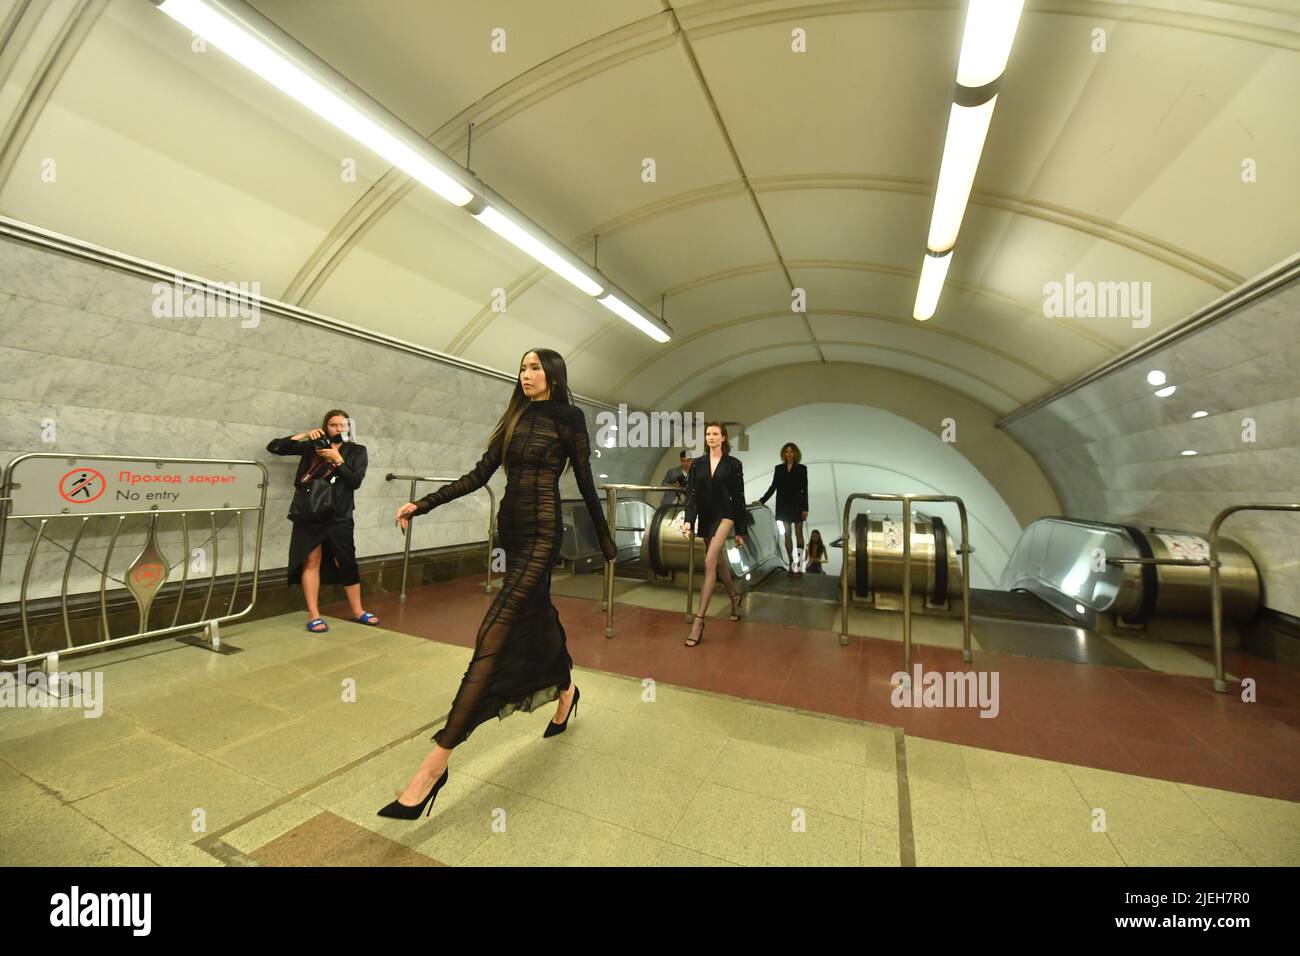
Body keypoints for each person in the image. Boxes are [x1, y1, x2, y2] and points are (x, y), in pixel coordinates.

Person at [378, 348, 617, 819]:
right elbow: (479, 475)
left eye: (534, 368)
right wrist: (422, 504)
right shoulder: (514, 417)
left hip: (545, 534)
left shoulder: (569, 417)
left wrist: (606, 541)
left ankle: (434, 765)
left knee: (493, 634)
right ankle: (567, 692)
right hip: (512, 532)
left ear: (552, 374)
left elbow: (585, 481)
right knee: (540, 618)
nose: (526, 375)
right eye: (522, 368)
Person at [266, 410, 377, 633]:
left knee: (346, 561)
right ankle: (314, 614)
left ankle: (358, 610)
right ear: (326, 427)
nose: (338, 428)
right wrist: (306, 435)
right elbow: (275, 447)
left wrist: (338, 460)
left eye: (342, 425)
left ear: (348, 427)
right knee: (311, 561)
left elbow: (355, 481)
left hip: (340, 514)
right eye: (333, 425)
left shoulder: (357, 451)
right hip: (310, 513)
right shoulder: (312, 447)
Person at [678, 422, 747, 646]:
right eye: (708, 434)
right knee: (718, 563)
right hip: (706, 518)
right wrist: (688, 521)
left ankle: (699, 621)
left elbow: (739, 498)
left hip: (726, 516)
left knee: (709, 562)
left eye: (716, 434)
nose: (711, 437)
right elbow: (692, 496)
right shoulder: (697, 464)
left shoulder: (734, 464)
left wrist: (741, 530)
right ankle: (735, 597)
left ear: (724, 438)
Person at [754, 442, 809, 576]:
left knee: (799, 533)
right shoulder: (778, 468)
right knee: (787, 535)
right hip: (783, 505)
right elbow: (773, 487)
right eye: (786, 451)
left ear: (795, 453)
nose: (789, 454)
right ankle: (790, 563)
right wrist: (762, 500)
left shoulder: (802, 468)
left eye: (791, 451)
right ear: (784, 454)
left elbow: (804, 489)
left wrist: (805, 508)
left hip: (797, 504)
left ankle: (799, 564)